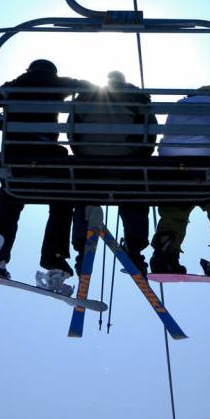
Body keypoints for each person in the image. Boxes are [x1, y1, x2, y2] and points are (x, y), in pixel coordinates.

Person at [0, 59, 89, 279]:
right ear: (52, 71)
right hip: (47, 157)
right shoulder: (58, 83)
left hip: (14, 157)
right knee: (63, 198)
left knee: (10, 201)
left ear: (29, 70)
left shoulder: (12, 86)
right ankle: (53, 256)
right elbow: (87, 87)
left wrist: (1, 123)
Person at [149, 86, 210, 277]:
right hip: (204, 165)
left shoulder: (180, 105)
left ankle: (166, 249)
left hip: (172, 167)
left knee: (175, 208)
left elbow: (167, 135)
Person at [69, 71, 156, 276]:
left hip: (90, 161)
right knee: (135, 190)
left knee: (82, 189)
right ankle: (134, 248)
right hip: (127, 159)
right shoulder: (138, 98)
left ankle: (82, 248)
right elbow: (150, 130)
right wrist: (141, 154)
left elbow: (71, 130)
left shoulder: (87, 96)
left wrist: (82, 151)